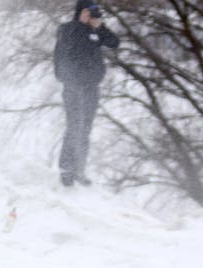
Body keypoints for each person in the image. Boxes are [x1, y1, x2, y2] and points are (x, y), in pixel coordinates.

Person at [54, 0, 120, 187]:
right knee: (74, 126)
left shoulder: (95, 31)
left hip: (91, 87)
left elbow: (114, 43)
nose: (92, 16)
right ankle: (67, 170)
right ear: (80, 12)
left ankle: (79, 170)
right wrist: (80, 23)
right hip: (73, 86)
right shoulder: (67, 29)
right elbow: (64, 50)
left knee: (85, 129)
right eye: (88, 12)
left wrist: (100, 28)